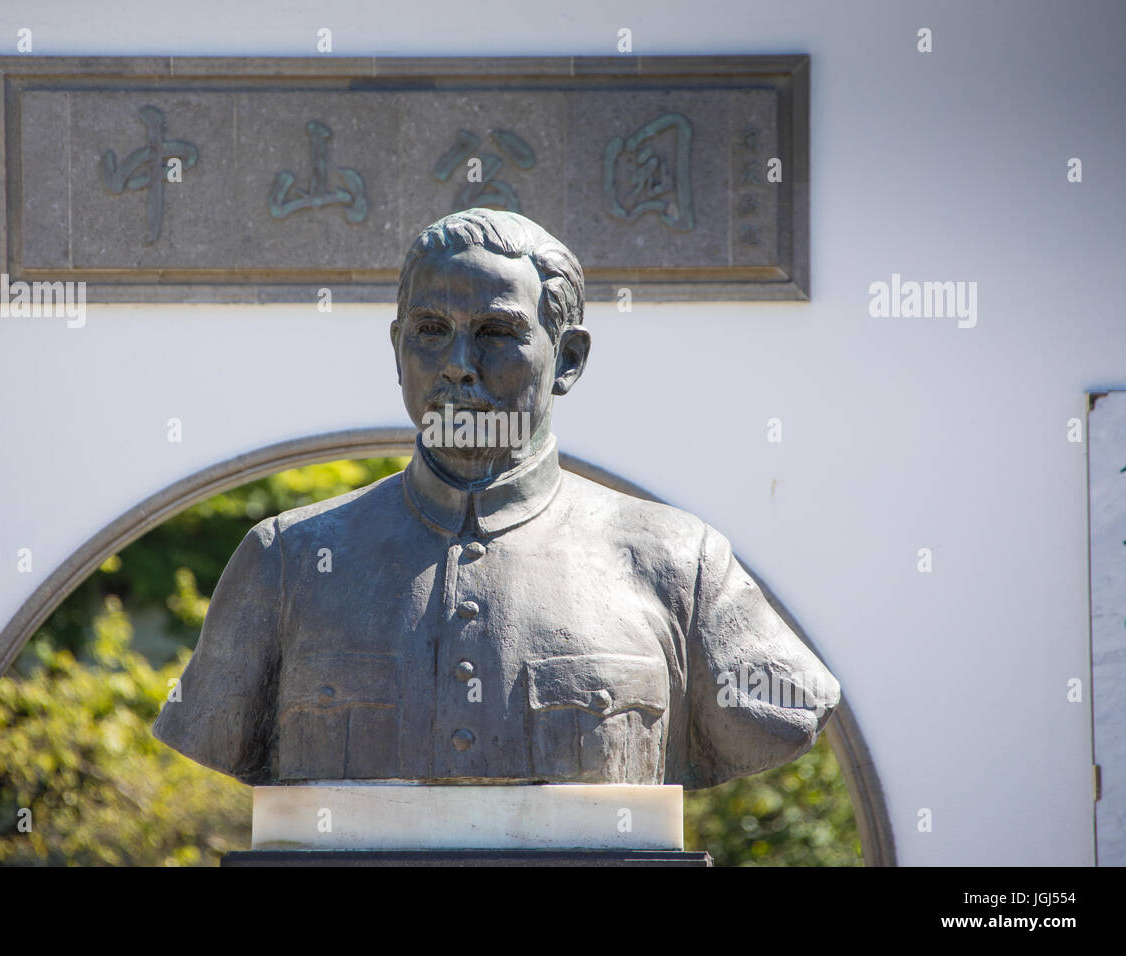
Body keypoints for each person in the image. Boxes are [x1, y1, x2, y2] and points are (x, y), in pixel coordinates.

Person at [153, 207, 839, 788]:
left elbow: (776, 715)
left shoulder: (679, 562)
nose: (457, 362)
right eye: (430, 331)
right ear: (398, 350)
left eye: (497, 333)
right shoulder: (289, 561)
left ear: (567, 358)